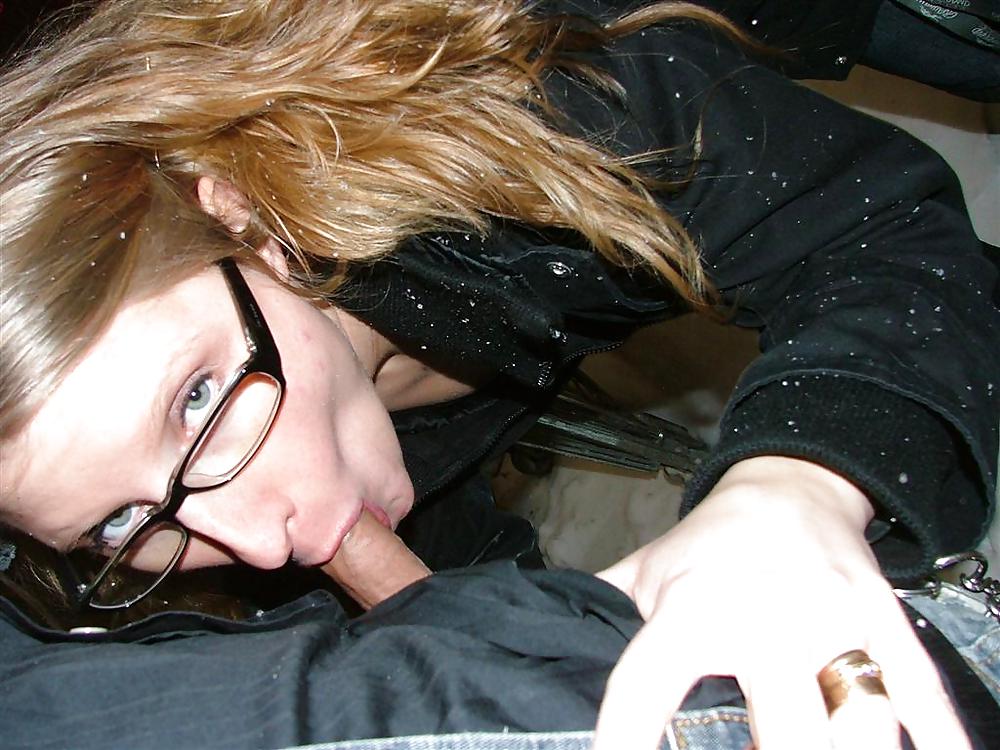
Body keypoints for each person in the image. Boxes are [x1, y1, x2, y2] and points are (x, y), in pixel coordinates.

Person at [0, 1, 997, 749]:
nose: (259, 543)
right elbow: (476, 572)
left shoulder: (526, 106)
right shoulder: (280, 483)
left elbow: (886, 228)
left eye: (196, 401)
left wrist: (794, 485)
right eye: (119, 524)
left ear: (239, 222)